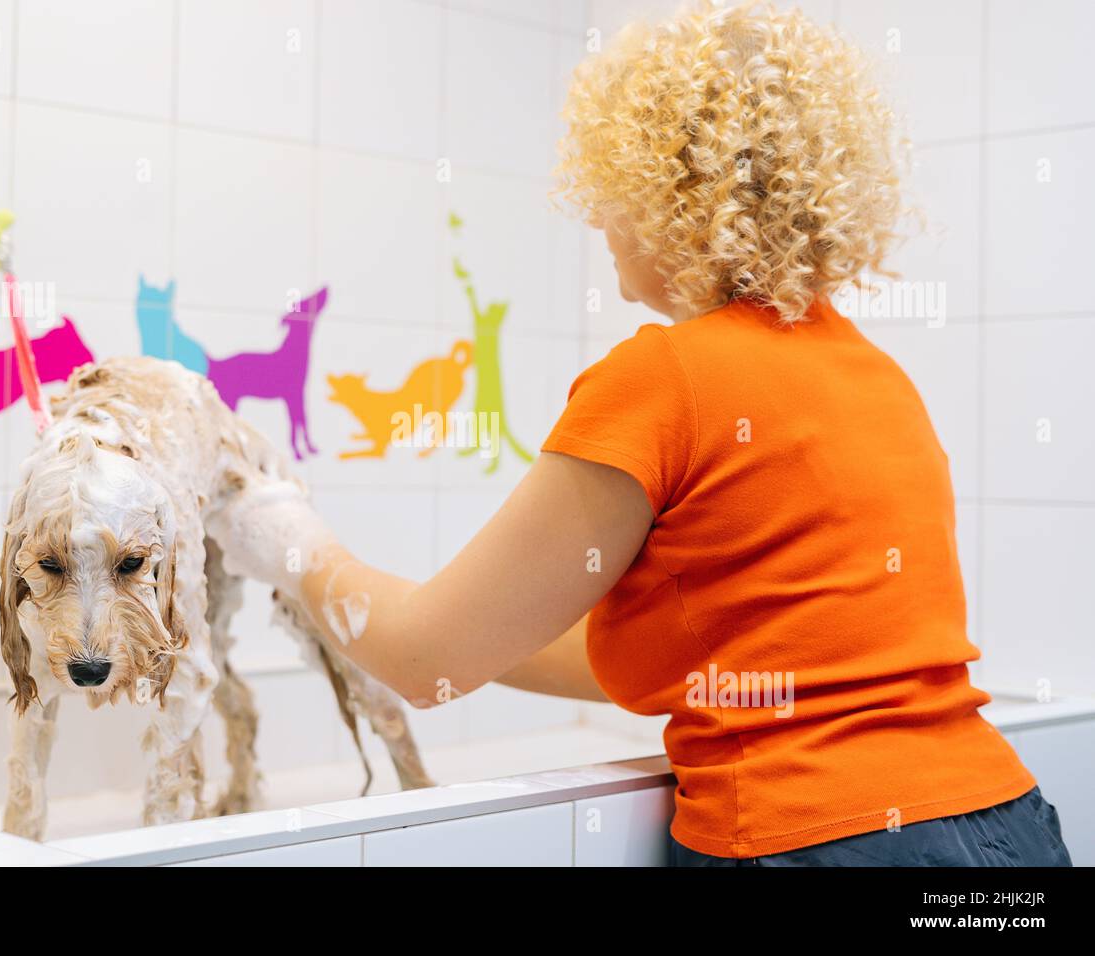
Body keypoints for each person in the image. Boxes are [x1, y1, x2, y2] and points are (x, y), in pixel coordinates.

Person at [219, 1, 1071, 866]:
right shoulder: (879, 378)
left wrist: (286, 540)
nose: (595, 218)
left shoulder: (664, 377)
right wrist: (377, 609)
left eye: (609, 187)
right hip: (1008, 828)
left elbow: (425, 656)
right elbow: (656, 656)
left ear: (671, 189)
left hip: (815, 840)